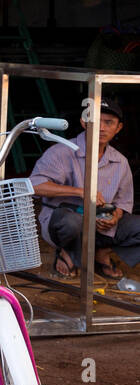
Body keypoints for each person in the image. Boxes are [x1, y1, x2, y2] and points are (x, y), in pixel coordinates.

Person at [30, 100, 140, 279]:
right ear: (84, 122)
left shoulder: (120, 161)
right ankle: (67, 252)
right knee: (73, 221)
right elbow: (34, 186)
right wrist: (80, 192)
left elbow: (123, 203)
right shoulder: (61, 152)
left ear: (118, 128)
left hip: (100, 228)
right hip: (65, 223)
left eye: (109, 123)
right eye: (96, 122)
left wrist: (115, 217)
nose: (102, 128)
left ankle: (101, 252)